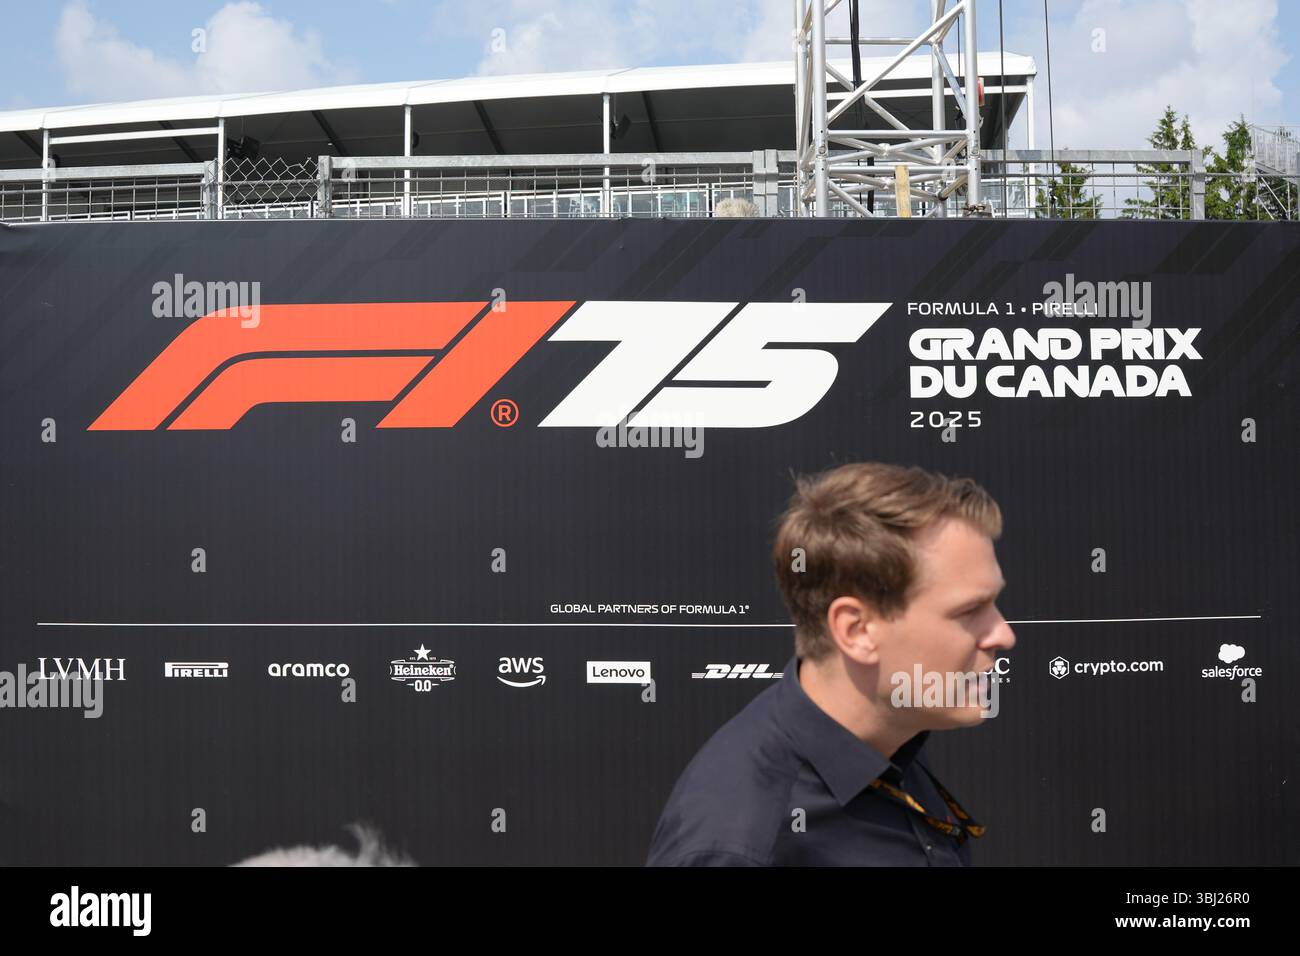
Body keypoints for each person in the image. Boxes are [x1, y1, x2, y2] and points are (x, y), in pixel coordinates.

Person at [646, 461, 1016, 866]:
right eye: (969, 611)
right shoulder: (741, 845)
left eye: (993, 603)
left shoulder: (890, 737)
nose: (1003, 634)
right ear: (856, 631)